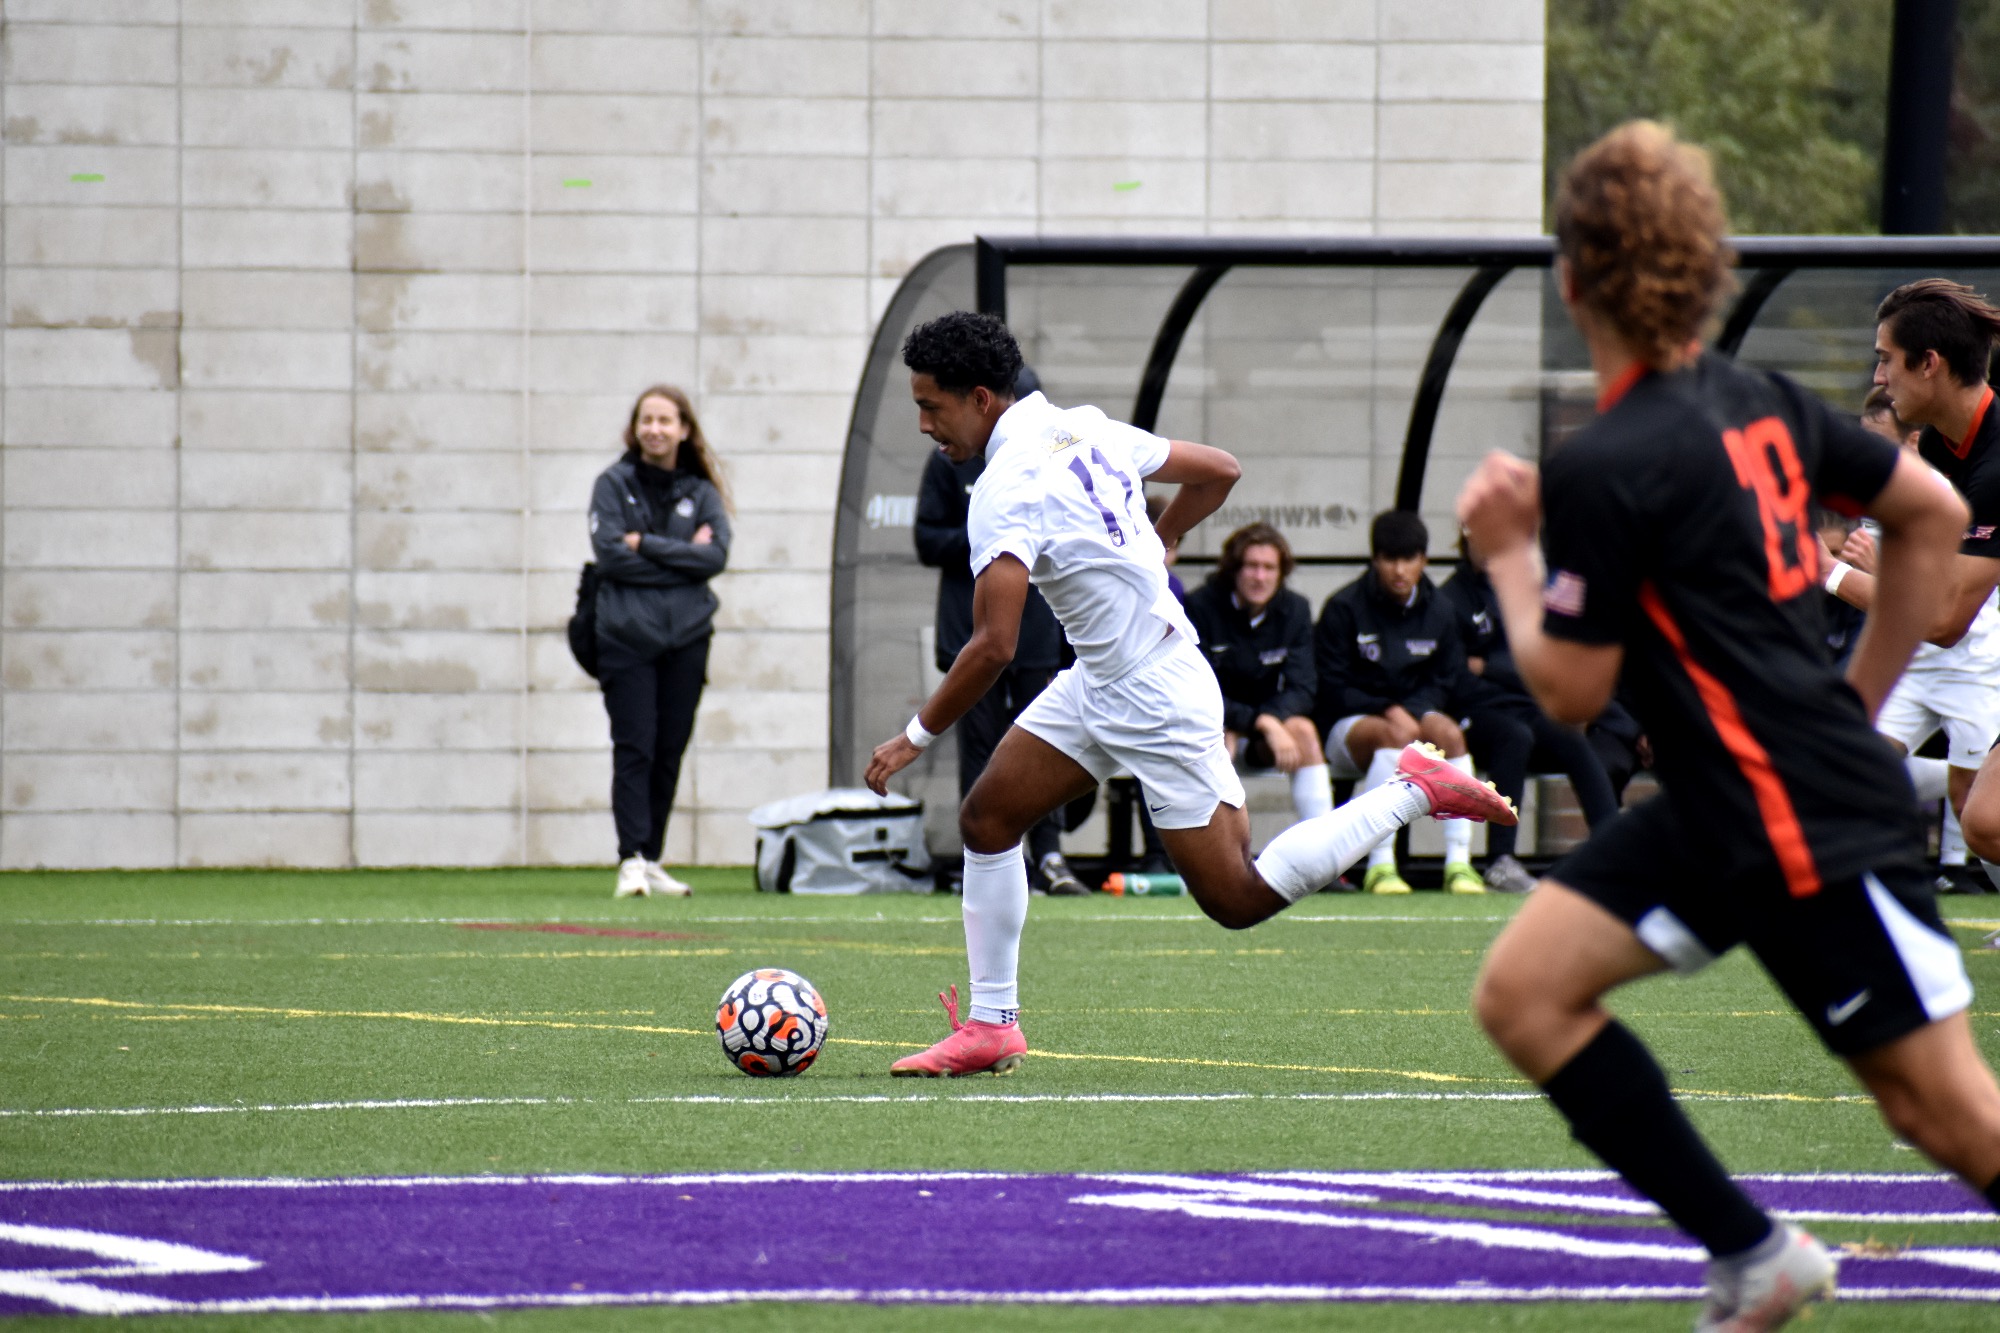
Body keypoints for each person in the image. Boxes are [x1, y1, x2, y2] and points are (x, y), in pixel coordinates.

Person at [1459, 121, 2000, 1332]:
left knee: (1944, 1115)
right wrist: (1858, 702)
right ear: (1701, 269)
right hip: (1722, 808)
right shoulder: (1747, 400)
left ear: (1572, 276)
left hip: (1801, 821)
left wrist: (1503, 555)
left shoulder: (1605, 457)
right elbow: (1929, 511)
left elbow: (1567, 695)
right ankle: (1753, 1256)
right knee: (1525, 992)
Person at [864, 311, 1514, 1077]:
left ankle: (1410, 788)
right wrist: (1161, 536)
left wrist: (916, 734)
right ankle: (992, 1022)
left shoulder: (1002, 488)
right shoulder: (1086, 427)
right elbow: (1221, 469)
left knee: (1237, 895)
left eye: (930, 406)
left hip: (1155, 693)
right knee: (989, 816)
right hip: (1103, 678)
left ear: (979, 398)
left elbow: (994, 646)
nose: (921, 424)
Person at [914, 368, 1086, 897]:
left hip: (1037, 630)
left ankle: (1050, 856)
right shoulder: (954, 460)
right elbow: (926, 539)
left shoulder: (1051, 455)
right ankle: (984, 860)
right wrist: (992, 533)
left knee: (1045, 740)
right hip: (971, 628)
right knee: (982, 744)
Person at [1841, 384, 2000, 894]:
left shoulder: (1962, 489)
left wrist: (1829, 573)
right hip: (1911, 665)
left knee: (1976, 812)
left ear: (1912, 442)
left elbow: (1938, 614)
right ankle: (1864, 890)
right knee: (1853, 770)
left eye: (1881, 443)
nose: (1872, 457)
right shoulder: (1880, 494)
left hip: (1973, 663)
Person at [588, 385, 730, 899]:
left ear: (683, 429)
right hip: (626, 639)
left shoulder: (701, 491)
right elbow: (609, 556)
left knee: (669, 749)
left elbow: (715, 558)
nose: (655, 429)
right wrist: (680, 560)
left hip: (687, 639)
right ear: (635, 427)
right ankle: (629, 859)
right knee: (635, 748)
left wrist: (644, 544)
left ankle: (651, 857)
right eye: (646, 419)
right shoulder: (612, 484)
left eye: (665, 420)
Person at [1313, 511, 1488, 895]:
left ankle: (1459, 864)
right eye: (1389, 558)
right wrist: (1391, 709)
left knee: (1451, 735)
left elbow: (1446, 678)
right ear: (1375, 559)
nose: (1399, 569)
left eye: (1408, 558)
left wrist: (1413, 710)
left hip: (1410, 716)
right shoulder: (1344, 607)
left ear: (1423, 560)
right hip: (1348, 727)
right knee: (1392, 737)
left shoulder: (1440, 610)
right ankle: (1380, 865)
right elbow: (1331, 686)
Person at [1440, 536, 1620, 894]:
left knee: (1571, 739)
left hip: (1524, 705)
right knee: (1514, 737)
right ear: (1465, 541)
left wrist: (1490, 667)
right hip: (1475, 713)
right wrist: (1507, 673)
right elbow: (1456, 675)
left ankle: (1614, 848)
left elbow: (1537, 662)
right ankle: (1500, 862)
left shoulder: (1526, 591)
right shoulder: (1451, 598)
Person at [1183, 523, 1334, 827]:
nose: (1260, 577)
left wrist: (1264, 722)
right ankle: (1211, 864)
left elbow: (1303, 688)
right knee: (1212, 736)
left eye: (1269, 568)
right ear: (1234, 570)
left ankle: (1323, 857)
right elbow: (1193, 690)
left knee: (1304, 730)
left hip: (1266, 732)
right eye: (1251, 566)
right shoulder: (1200, 606)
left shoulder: (1295, 609)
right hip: (1212, 726)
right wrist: (1255, 721)